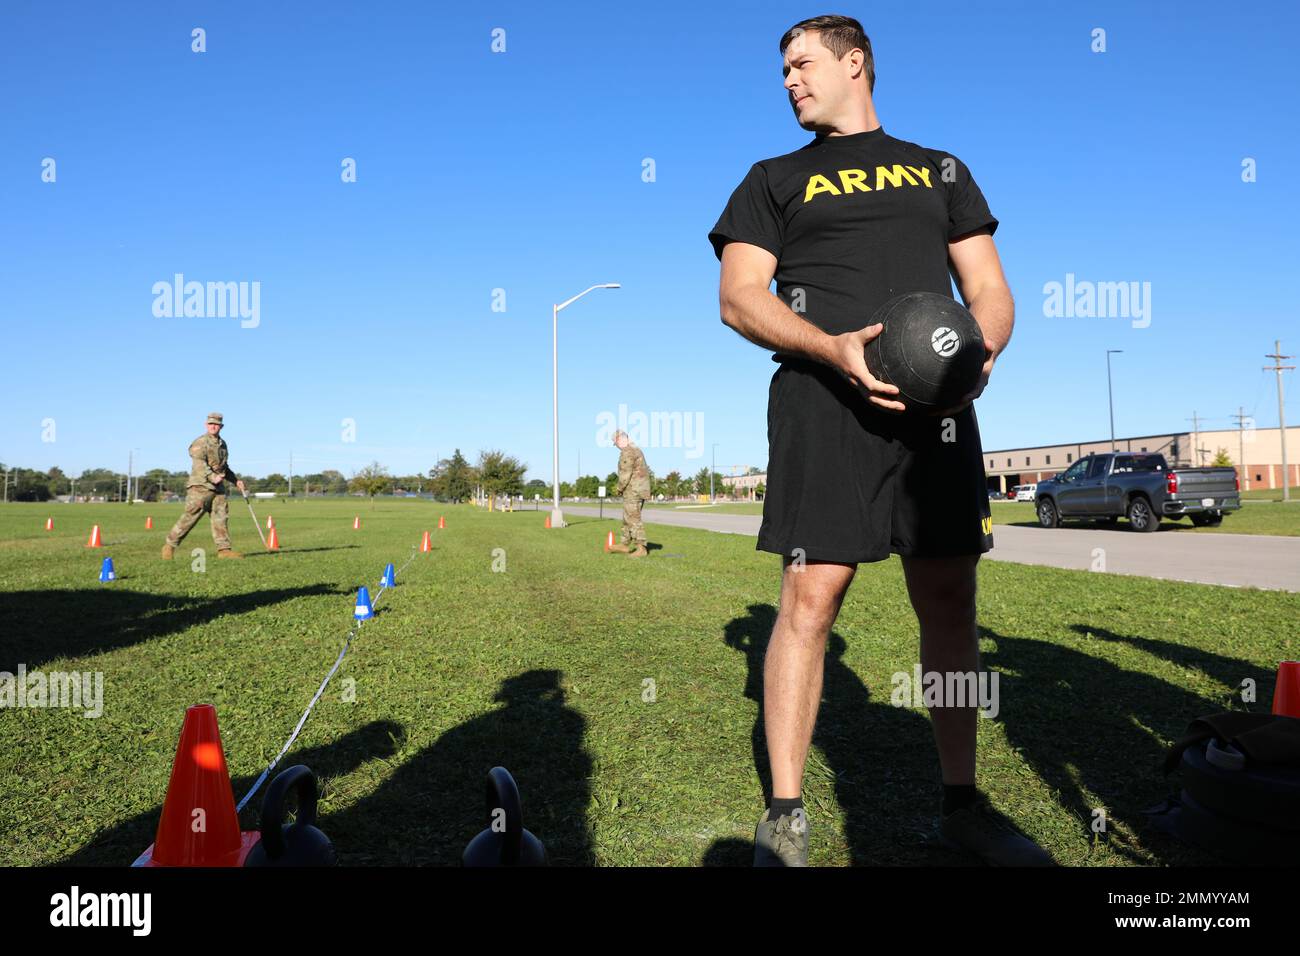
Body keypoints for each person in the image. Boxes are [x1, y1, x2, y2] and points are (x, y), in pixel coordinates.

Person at [708, 15, 1049, 866]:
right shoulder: (773, 178)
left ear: (854, 63)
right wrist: (833, 349)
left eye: (801, 63)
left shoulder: (941, 169)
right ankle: (784, 818)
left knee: (950, 597)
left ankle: (963, 804)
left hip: (936, 411)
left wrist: (983, 351)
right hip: (823, 403)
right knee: (809, 598)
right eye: (781, 69)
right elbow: (739, 297)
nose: (788, 79)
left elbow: (990, 289)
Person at [161, 412, 248, 560]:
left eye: (216, 424)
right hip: (200, 486)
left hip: (218, 487)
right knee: (191, 517)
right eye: (210, 424)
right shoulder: (200, 443)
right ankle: (169, 546)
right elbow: (200, 464)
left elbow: (223, 467)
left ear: (221, 426)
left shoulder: (222, 444)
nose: (213, 426)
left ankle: (224, 550)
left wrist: (235, 480)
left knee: (221, 517)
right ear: (206, 425)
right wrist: (211, 476)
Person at [609, 431, 650, 557]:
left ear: (618, 440)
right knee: (628, 518)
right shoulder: (636, 449)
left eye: (615, 444)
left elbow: (625, 473)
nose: (616, 446)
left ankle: (641, 547)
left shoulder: (627, 451)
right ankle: (624, 544)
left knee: (633, 519)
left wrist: (619, 488)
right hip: (639, 489)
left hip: (633, 489)